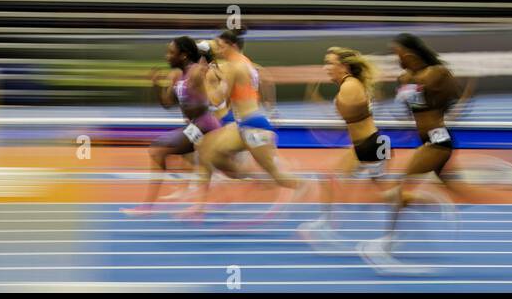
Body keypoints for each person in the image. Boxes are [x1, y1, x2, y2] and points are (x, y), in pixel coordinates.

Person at [357, 33, 464, 272]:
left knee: (399, 190)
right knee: (461, 193)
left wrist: (445, 110)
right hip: (424, 139)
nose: (396, 58)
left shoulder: (437, 73)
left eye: (396, 53)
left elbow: (451, 99)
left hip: (438, 140)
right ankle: (448, 203)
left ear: (409, 53)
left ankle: (386, 245)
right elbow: (411, 111)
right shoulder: (404, 77)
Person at [191, 27, 302, 216]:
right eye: (215, 45)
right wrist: (271, 106)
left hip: (253, 125)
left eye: (220, 45)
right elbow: (266, 78)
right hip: (245, 123)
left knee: (278, 176)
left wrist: (202, 83)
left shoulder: (233, 67)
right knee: (209, 152)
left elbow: (217, 100)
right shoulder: (246, 62)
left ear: (231, 45)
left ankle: (305, 187)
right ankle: (203, 202)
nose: (218, 48)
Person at [296, 47, 391, 253]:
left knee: (334, 181)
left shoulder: (349, 86)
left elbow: (345, 118)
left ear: (344, 66)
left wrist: (318, 109)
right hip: (370, 143)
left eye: (330, 63)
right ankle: (326, 225)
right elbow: (351, 118)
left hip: (369, 145)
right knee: (379, 192)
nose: (326, 68)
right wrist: (319, 104)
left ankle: (326, 227)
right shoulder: (350, 84)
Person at [121, 36, 220, 217]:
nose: (167, 56)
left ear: (183, 55)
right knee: (161, 152)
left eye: (171, 53)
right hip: (194, 127)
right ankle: (197, 203)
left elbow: (209, 100)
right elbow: (167, 103)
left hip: (205, 125)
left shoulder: (196, 71)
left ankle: (149, 207)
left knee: (159, 151)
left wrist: (205, 76)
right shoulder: (177, 76)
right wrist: (157, 84)